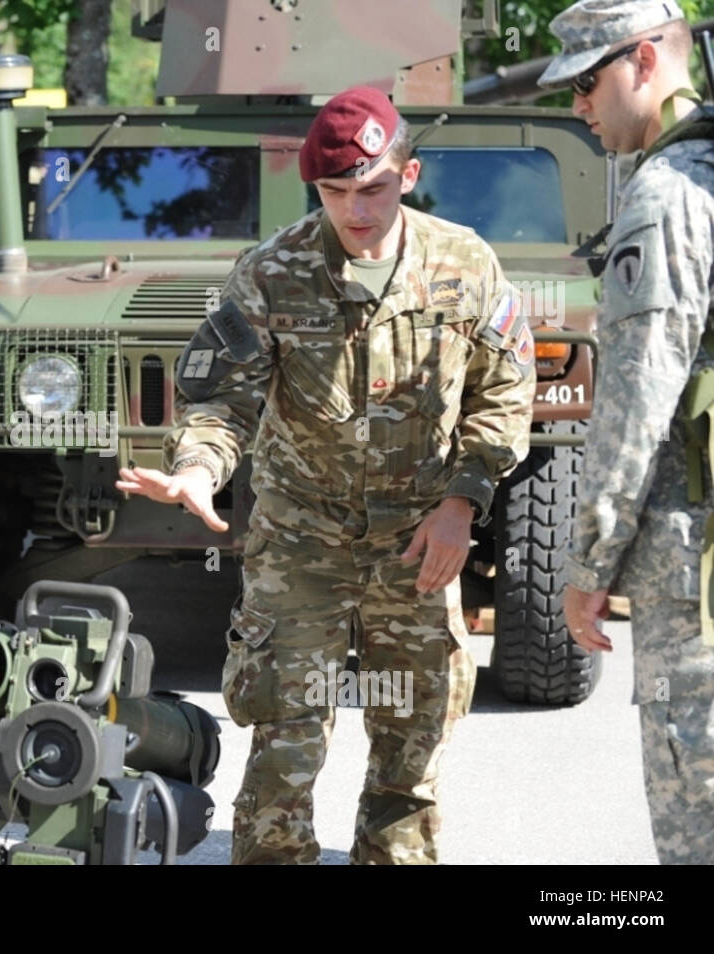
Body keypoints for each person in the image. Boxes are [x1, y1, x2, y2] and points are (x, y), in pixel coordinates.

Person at [117, 86, 535, 864]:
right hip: (301, 539)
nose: (357, 211)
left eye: (373, 188)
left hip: (418, 537)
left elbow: (504, 390)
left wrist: (462, 502)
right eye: (336, 192)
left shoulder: (464, 263)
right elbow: (220, 400)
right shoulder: (273, 272)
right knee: (284, 739)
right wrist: (198, 471)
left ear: (408, 174)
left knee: (412, 739)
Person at [543, 0, 714, 864]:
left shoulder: (668, 190)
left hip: (694, 563)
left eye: (586, 81)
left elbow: (637, 402)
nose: (577, 104)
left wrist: (587, 568)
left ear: (644, 61)